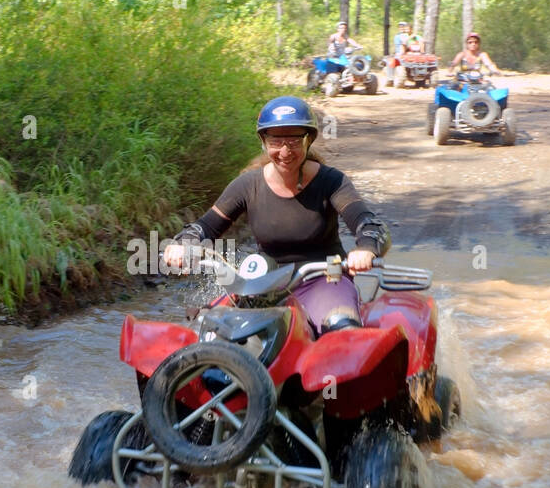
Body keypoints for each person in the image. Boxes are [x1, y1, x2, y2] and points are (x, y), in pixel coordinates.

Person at [161, 96, 391, 336]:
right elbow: (205, 226)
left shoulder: (332, 181)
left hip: (324, 280)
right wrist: (182, 244)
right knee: (209, 332)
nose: (284, 151)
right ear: (263, 141)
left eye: (294, 140)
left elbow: (369, 224)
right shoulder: (247, 185)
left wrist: (366, 248)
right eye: (276, 140)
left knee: (342, 330)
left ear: (308, 140)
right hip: (262, 284)